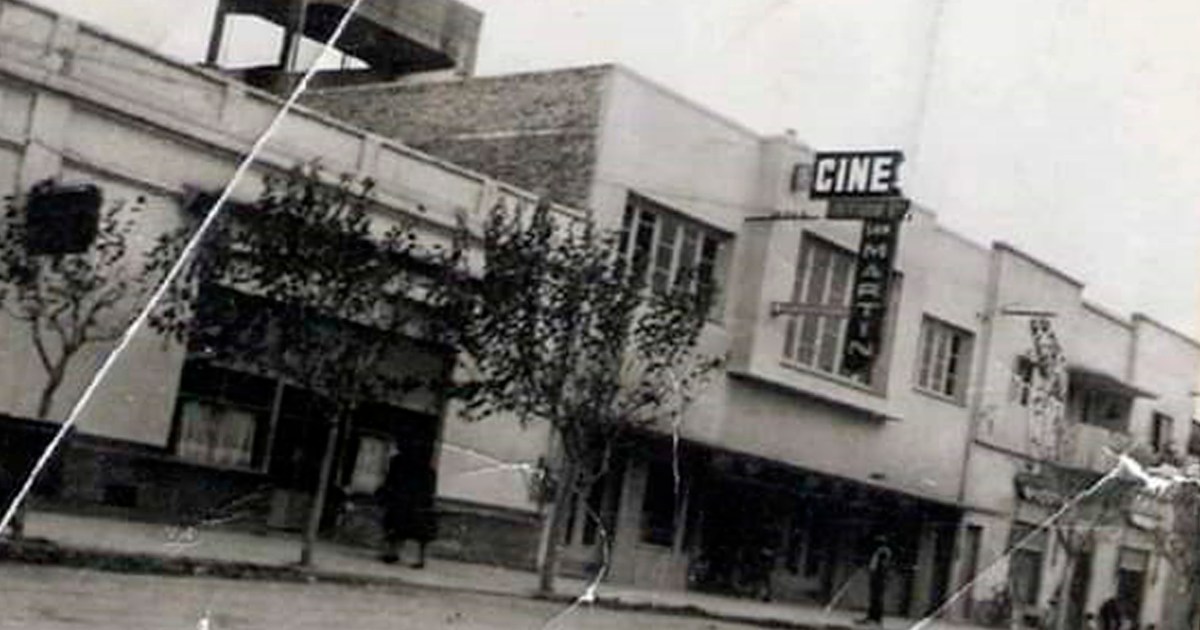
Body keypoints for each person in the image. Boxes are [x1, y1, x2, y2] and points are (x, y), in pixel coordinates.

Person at [376, 449, 437, 568]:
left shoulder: (400, 462)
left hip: (409, 501)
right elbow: (430, 489)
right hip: (414, 501)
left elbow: (391, 480)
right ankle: (412, 557)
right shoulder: (426, 468)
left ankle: (396, 554)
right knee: (412, 530)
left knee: (401, 527)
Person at [858, 536, 893, 626]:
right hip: (875, 576)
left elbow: (884, 565)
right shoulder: (878, 551)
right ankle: (871, 617)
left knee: (877, 598)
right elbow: (874, 563)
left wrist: (881, 576)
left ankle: (877, 619)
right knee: (873, 598)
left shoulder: (884, 551)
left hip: (879, 577)